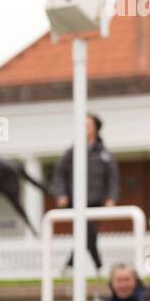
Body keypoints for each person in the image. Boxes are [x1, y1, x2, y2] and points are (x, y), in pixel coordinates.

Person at [52, 113, 118, 274]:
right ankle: (98, 266)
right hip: (76, 201)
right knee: (88, 234)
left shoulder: (104, 153)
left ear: (95, 128)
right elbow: (59, 173)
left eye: (87, 125)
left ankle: (70, 267)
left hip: (95, 201)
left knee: (85, 234)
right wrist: (61, 194)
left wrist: (111, 197)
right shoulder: (73, 152)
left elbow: (112, 177)